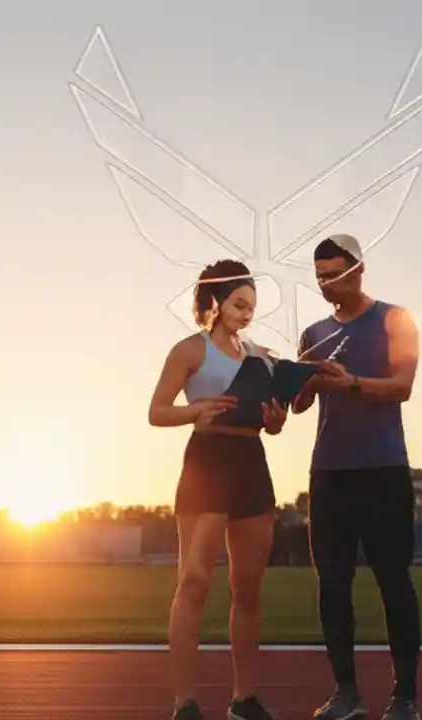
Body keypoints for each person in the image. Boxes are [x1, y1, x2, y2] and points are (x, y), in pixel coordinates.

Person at [148, 258, 288, 720]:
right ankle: (184, 702)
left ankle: (243, 699)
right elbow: (157, 411)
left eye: (252, 306)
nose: (247, 313)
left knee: (247, 589)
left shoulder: (260, 356)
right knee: (194, 580)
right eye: (239, 303)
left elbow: (273, 425)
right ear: (216, 301)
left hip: (251, 463)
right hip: (207, 462)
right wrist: (196, 410)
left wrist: (275, 420)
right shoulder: (189, 350)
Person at [291, 234, 422, 720]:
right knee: (332, 585)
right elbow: (300, 403)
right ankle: (346, 693)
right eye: (320, 276)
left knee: (394, 582)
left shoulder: (396, 320)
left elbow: (402, 387)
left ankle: (404, 696)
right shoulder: (312, 333)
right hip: (329, 474)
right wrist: (299, 380)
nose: (327, 283)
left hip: (384, 471)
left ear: (359, 268)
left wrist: (349, 382)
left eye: (335, 273)